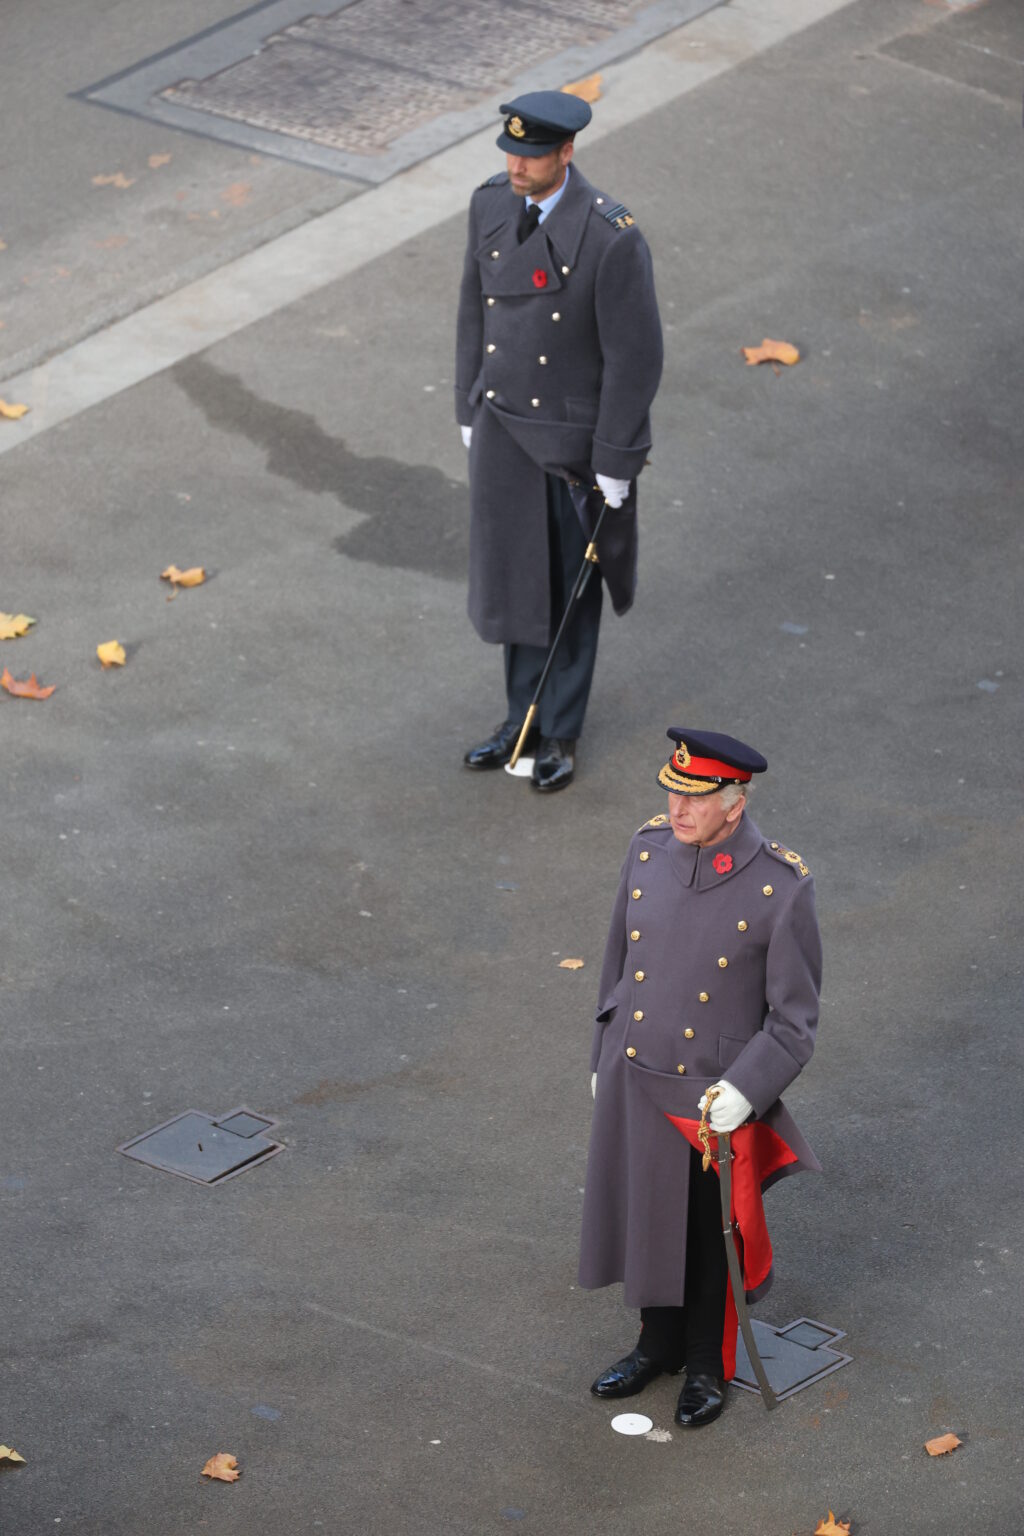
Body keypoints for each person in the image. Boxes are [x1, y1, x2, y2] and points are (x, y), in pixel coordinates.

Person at [578, 728, 823, 1427]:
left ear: (734, 803)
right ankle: (655, 1345)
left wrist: (746, 1090)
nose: (676, 807)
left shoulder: (782, 886)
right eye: (672, 791)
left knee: (710, 1233)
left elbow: (794, 1021)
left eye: (695, 796)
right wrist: (605, 1053)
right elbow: (617, 968)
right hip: (637, 1068)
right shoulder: (647, 849)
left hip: (711, 1090)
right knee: (650, 1214)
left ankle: (708, 1364)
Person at [455, 91, 663, 792]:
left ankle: (560, 733)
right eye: (510, 151)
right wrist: (467, 400)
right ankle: (520, 719)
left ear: (566, 153)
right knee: (516, 580)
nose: (516, 165)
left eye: (532, 154)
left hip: (572, 442)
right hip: (503, 426)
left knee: (571, 592)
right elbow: (471, 310)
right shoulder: (489, 204)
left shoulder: (610, 236)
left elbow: (635, 358)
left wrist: (616, 460)